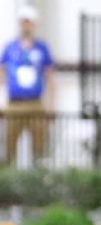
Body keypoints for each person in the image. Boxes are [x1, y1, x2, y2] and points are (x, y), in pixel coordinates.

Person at [2, 5, 55, 166]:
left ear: (34, 24)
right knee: (8, 148)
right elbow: (1, 75)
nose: (26, 25)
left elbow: (50, 78)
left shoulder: (41, 48)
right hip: (14, 104)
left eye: (29, 22)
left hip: (35, 103)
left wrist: (50, 105)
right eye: (23, 21)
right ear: (20, 23)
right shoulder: (9, 48)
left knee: (39, 149)